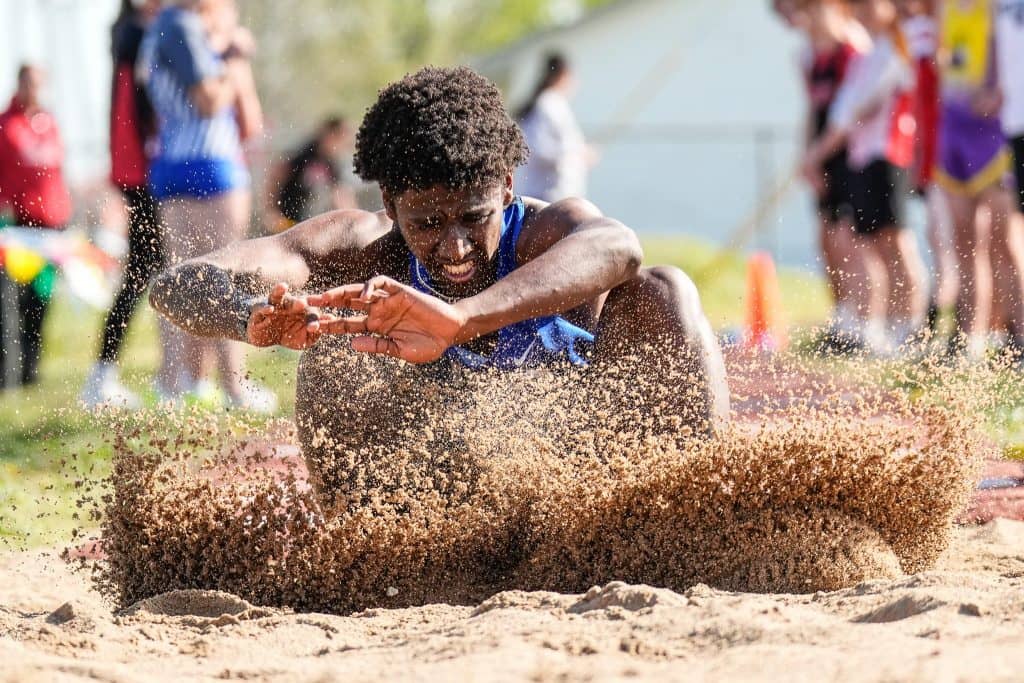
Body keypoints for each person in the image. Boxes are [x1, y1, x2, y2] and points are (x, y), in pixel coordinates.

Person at [149, 66, 729, 509]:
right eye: (426, 224)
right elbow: (175, 285)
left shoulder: (547, 230)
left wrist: (465, 317)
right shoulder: (365, 245)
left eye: (473, 218)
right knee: (335, 353)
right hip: (443, 493)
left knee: (664, 292)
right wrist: (246, 315)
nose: (454, 248)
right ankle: (371, 555)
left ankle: (696, 519)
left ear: (505, 187)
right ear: (391, 205)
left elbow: (620, 248)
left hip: (583, 478)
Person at [138, 0, 275, 410]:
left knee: (186, 277)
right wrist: (233, 55)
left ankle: (185, 381)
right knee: (219, 277)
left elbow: (248, 117)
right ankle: (231, 386)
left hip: (178, 165)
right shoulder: (179, 23)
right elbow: (211, 102)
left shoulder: (166, 26)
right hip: (207, 166)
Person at [803, 0, 928, 355]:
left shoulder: (895, 48)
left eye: (871, 5)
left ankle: (912, 327)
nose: (864, 12)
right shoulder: (868, 55)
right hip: (862, 158)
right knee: (872, 246)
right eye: (858, 6)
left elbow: (859, 109)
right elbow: (844, 109)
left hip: (888, 156)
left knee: (895, 243)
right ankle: (885, 325)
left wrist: (816, 155)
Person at [81, 0, 164, 409]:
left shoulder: (129, 30)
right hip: (141, 169)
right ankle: (102, 376)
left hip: (134, 166)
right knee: (145, 268)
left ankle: (106, 373)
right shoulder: (135, 31)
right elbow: (142, 99)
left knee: (147, 268)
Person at [935, 0, 1024, 357]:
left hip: (991, 132)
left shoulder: (996, 8)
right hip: (955, 127)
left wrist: (994, 90)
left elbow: (1003, 60)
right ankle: (970, 338)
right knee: (964, 242)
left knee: (1004, 242)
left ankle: (1019, 334)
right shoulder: (945, 8)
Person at [789, 0, 873, 350]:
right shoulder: (809, 57)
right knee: (826, 238)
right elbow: (812, 108)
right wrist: (807, 156)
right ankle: (842, 314)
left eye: (813, 9)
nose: (806, 19)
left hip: (847, 152)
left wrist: (824, 150)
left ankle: (864, 319)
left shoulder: (852, 46)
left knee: (849, 239)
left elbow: (854, 107)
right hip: (822, 153)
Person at [0, 64, 72, 388]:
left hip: (51, 228)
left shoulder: (50, 124)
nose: (35, 90)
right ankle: (8, 375)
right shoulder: (7, 125)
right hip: (17, 227)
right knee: (12, 302)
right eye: (29, 83)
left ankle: (32, 371)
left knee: (40, 301)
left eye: (40, 84)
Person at [516, 53, 596, 202]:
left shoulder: (554, 103)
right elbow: (537, 148)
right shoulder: (548, 104)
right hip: (546, 196)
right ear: (563, 75)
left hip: (557, 195)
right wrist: (577, 154)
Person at [264, 116, 356, 234]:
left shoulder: (332, 161)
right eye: (341, 139)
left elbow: (341, 194)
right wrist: (271, 211)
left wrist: (352, 218)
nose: (343, 145)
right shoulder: (305, 153)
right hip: (286, 218)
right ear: (329, 134)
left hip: (307, 220)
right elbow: (275, 176)